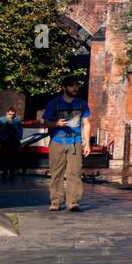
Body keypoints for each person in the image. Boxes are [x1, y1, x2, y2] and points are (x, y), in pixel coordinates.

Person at [43, 78, 91, 212]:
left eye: (76, 85)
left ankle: (73, 202)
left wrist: (87, 143)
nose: (75, 88)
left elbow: (86, 124)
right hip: (58, 142)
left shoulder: (82, 104)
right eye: (72, 86)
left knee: (74, 172)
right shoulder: (54, 104)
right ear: (65, 87)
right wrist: (56, 124)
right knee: (56, 173)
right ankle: (56, 201)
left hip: (75, 142)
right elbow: (46, 122)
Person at [0, 108, 23, 181]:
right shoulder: (1, 119)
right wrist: (1, 137)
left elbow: (20, 130)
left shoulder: (17, 120)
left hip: (14, 141)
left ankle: (12, 172)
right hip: (5, 141)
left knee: (13, 157)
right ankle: (4, 172)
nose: (11, 116)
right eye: (10, 114)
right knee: (4, 156)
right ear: (7, 113)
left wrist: (18, 137)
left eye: (13, 114)